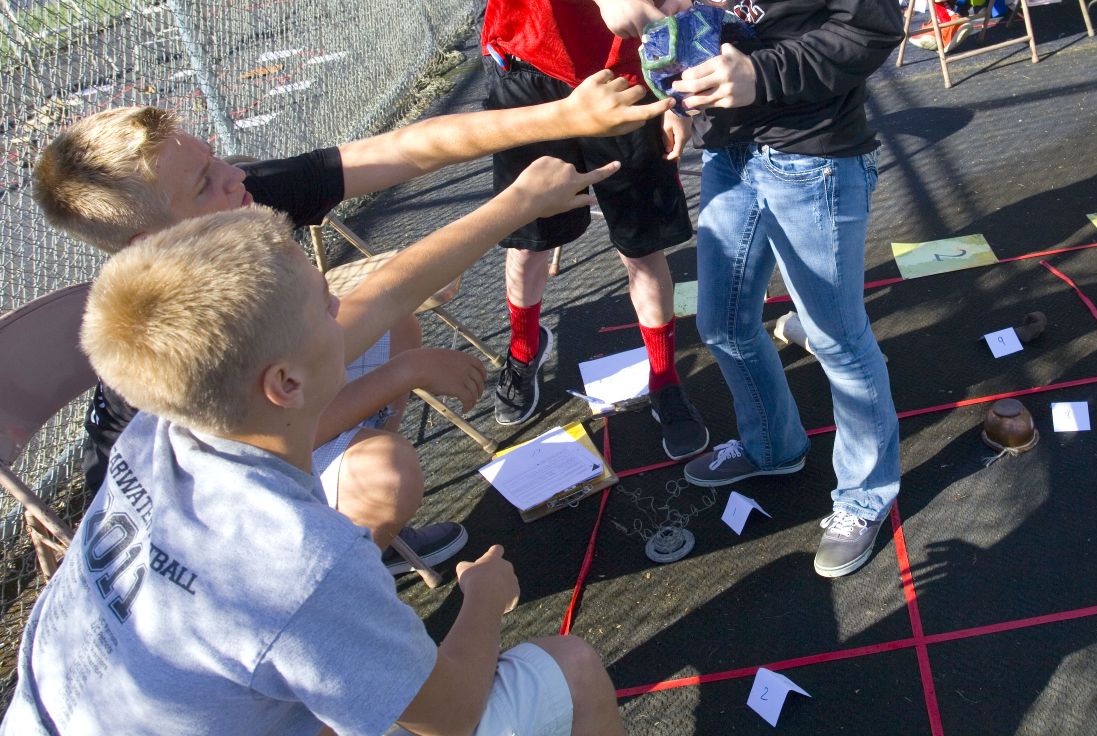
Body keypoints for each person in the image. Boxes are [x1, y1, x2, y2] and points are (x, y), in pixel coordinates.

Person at [2, 199, 627, 736]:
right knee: (570, 668)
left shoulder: (152, 433)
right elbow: (451, 716)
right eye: (324, 307)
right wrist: (484, 601)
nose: (342, 307)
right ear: (286, 383)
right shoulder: (303, 563)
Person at [32, 74, 669, 573]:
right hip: (209, 536)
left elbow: (402, 150)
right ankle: (344, 566)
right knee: (386, 471)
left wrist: (561, 117)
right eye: (206, 182)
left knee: (394, 332)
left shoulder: (225, 207)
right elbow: (285, 425)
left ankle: (359, 531)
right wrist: (514, 208)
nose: (238, 177)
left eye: (216, 159)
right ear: (154, 239)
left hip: (262, 432)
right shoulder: (181, 331)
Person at [613, 0, 903, 579]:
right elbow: (732, 3)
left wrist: (755, 78)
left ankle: (866, 490)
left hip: (813, 153)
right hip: (735, 146)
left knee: (833, 332)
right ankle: (774, 446)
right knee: (726, 322)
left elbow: (872, 25)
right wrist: (683, 73)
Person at [459, 0, 708, 460]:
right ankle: (525, 348)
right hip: (532, 84)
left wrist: (672, 88)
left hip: (620, 84)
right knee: (530, 241)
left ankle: (664, 377)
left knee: (645, 247)